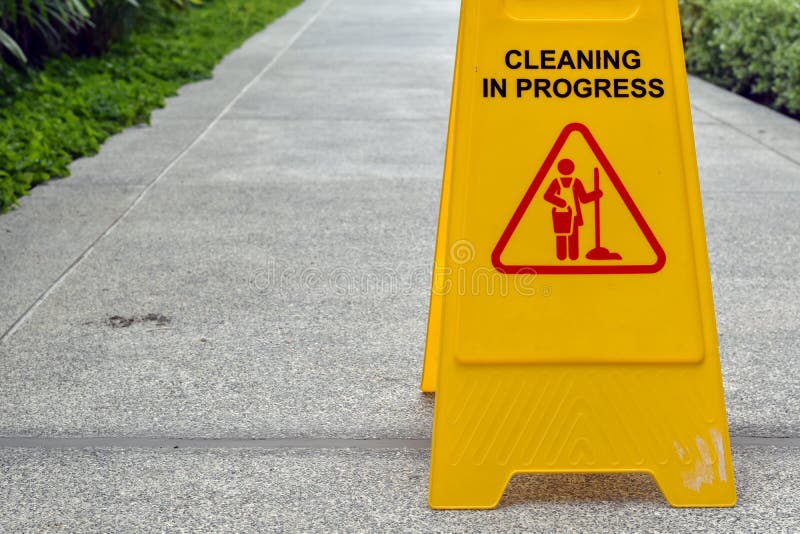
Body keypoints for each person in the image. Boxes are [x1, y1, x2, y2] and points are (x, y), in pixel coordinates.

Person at [543, 158, 603, 260]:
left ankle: (573, 257)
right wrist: (562, 203)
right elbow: (547, 196)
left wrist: (596, 194)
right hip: (560, 214)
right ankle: (561, 257)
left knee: (572, 238)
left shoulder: (576, 182)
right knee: (561, 236)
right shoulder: (556, 182)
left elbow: (583, 198)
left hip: (574, 215)